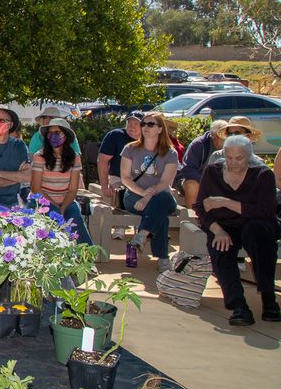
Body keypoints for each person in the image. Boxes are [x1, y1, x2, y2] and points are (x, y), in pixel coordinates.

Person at [194, 135, 280, 326]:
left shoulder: (262, 174)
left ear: (249, 156)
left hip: (255, 224)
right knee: (220, 249)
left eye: (239, 158)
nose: (233, 162)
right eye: (229, 157)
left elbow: (265, 211)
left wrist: (225, 202)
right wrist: (217, 230)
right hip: (223, 225)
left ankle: (269, 299)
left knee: (259, 235)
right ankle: (238, 306)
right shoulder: (212, 172)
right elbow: (200, 206)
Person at [121, 113, 179, 272]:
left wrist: (148, 197)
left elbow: (165, 182)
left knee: (162, 201)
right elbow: (126, 179)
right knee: (160, 214)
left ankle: (143, 234)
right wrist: (144, 195)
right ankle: (163, 258)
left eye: (150, 124)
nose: (145, 127)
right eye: (143, 124)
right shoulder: (130, 149)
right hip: (134, 195)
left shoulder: (170, 153)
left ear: (160, 129)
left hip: (161, 196)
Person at [30, 118, 92, 244]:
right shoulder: (39, 156)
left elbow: (73, 189)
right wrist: (55, 206)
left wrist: (62, 207)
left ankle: (87, 252)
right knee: (50, 223)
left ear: (65, 135)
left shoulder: (75, 157)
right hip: (43, 201)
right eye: (50, 133)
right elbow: (36, 188)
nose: (53, 136)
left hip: (66, 201)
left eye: (57, 132)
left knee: (75, 219)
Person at [97, 111, 143, 207]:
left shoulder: (149, 139)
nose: (131, 126)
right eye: (129, 123)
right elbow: (102, 161)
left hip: (142, 178)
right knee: (122, 194)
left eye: (136, 124)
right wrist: (104, 186)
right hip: (119, 178)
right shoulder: (116, 135)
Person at [179, 120, 228, 209]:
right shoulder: (199, 144)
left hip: (219, 181)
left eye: (226, 135)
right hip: (198, 180)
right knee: (192, 185)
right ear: (213, 135)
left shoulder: (230, 147)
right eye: (220, 136)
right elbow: (187, 169)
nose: (224, 139)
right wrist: (206, 181)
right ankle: (193, 214)